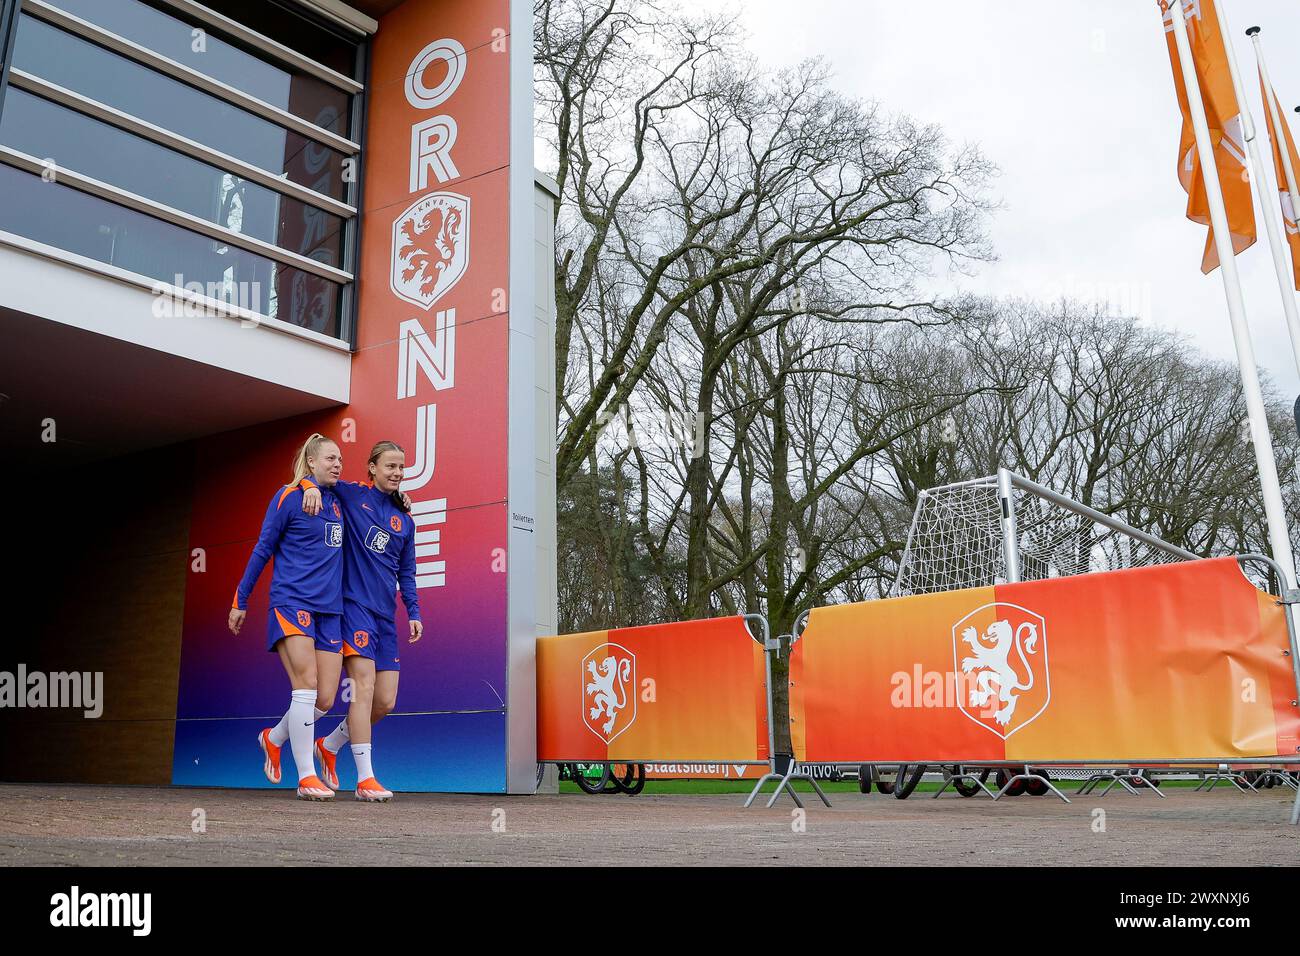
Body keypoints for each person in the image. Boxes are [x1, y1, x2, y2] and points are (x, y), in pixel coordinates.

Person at [302, 440, 423, 802]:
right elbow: (320, 478)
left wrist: (414, 611)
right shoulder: (353, 495)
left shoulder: (406, 518)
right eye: (389, 466)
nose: (397, 473)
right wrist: (308, 484)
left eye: (401, 467)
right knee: (363, 688)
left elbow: (408, 571)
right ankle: (366, 779)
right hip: (354, 607)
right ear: (372, 468)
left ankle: (331, 743)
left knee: (384, 702)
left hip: (386, 618)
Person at [228, 433, 344, 800]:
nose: (337, 464)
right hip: (292, 603)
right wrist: (239, 599)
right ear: (311, 462)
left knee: (325, 699)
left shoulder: (339, 501)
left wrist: (398, 497)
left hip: (330, 610)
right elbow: (263, 548)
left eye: (340, 458)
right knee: (306, 685)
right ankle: (307, 777)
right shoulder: (288, 497)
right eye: (329, 459)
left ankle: (273, 738)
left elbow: (371, 496)